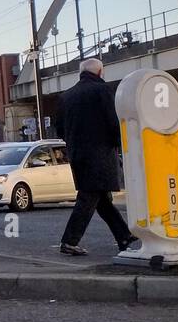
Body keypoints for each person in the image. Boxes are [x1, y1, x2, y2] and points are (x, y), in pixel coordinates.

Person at [55, 58, 140, 256]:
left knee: (99, 197)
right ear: (101, 71)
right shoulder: (102, 90)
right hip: (99, 154)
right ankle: (69, 241)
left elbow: (59, 129)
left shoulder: (66, 96)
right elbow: (113, 121)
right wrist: (122, 145)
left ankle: (123, 236)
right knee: (88, 197)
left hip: (77, 154)